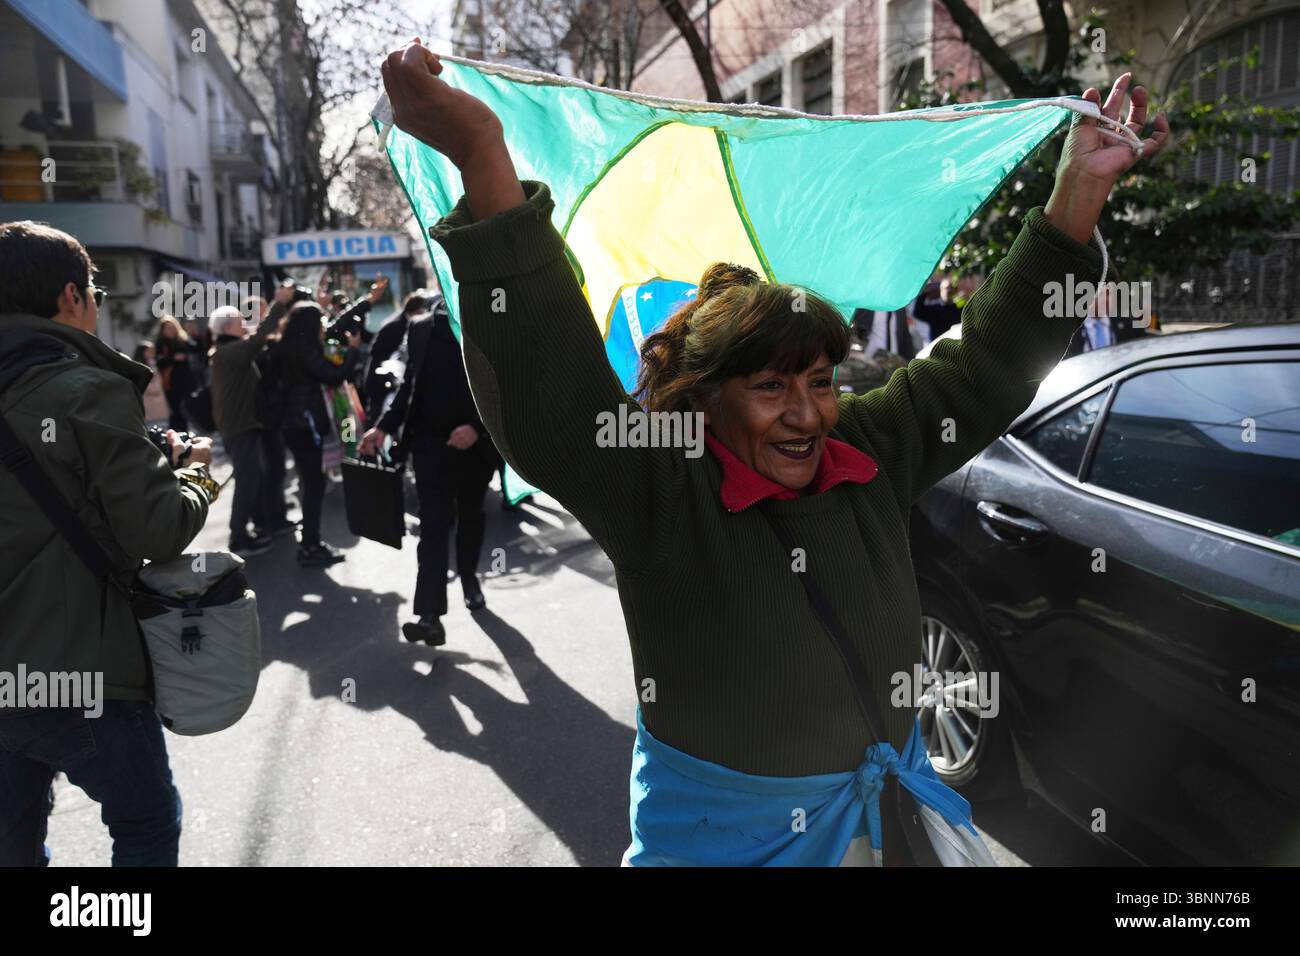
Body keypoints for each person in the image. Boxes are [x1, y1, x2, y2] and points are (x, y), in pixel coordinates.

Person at [383, 43, 1168, 866]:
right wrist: (481, 153)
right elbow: (552, 396)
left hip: (888, 827)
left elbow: (988, 365)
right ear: (705, 398)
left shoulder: (864, 445)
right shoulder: (655, 485)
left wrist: (1078, 191)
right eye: (768, 387)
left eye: (822, 381)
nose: (806, 414)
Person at [0, 220, 215, 866]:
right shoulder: (87, 389)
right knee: (146, 823)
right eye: (93, 290)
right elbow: (156, 526)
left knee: (13, 842)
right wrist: (196, 473)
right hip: (79, 672)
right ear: (71, 297)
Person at [359, 293, 495, 646]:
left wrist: (476, 427)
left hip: (475, 447)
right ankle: (429, 615)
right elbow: (410, 386)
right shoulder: (421, 327)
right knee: (433, 526)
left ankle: (469, 579)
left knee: (470, 516)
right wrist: (383, 427)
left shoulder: (485, 323)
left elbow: (503, 387)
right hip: (429, 445)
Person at [209, 287, 295, 556]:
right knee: (247, 482)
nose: (244, 325)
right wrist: (278, 305)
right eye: (239, 322)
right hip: (239, 426)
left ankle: (256, 527)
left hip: (243, 424)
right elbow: (258, 340)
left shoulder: (227, 350)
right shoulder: (227, 352)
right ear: (227, 327)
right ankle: (238, 538)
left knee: (253, 479)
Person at [278, 301, 362, 567]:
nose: (324, 327)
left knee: (310, 483)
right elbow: (333, 376)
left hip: (291, 423)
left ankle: (310, 542)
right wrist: (353, 352)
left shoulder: (284, 345)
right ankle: (310, 545)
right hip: (305, 424)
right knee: (314, 485)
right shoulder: (305, 348)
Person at [363, 288, 428, 422]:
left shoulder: (400, 321)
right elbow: (378, 352)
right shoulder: (396, 326)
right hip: (382, 384)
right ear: (418, 311)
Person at [155, 314, 202, 430]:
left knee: (186, 409)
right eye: (167, 328)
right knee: (176, 411)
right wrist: (173, 358)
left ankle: (184, 434)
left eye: (172, 327)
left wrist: (195, 335)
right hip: (171, 383)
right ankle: (175, 436)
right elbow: (159, 362)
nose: (170, 330)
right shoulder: (161, 344)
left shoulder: (183, 340)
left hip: (187, 380)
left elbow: (198, 349)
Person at [132, 340, 171, 427]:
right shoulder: (140, 366)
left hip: (158, 398)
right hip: (149, 398)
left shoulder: (153, 363)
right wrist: (153, 389)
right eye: (149, 351)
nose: (152, 353)